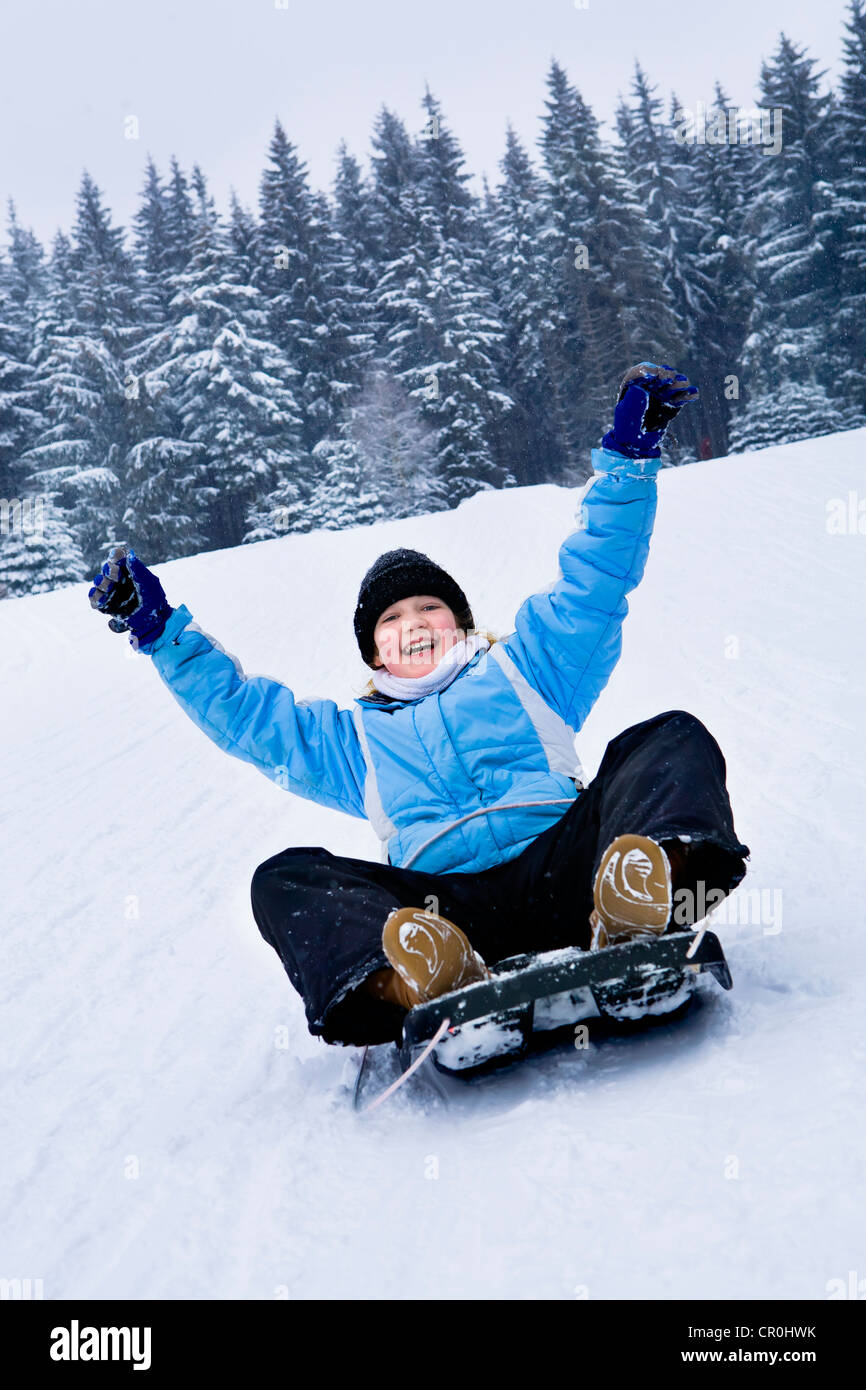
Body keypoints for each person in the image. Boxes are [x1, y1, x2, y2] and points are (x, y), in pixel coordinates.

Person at [88, 363, 750, 1047]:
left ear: (460, 625)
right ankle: (424, 981)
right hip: (449, 909)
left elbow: (595, 583)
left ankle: (635, 912)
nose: (413, 622)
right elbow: (247, 718)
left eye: (430, 606)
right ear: (375, 655)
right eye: (391, 618)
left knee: (669, 736)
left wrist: (628, 465)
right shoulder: (355, 744)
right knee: (282, 878)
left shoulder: (530, 671)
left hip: (570, 870)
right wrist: (162, 636)